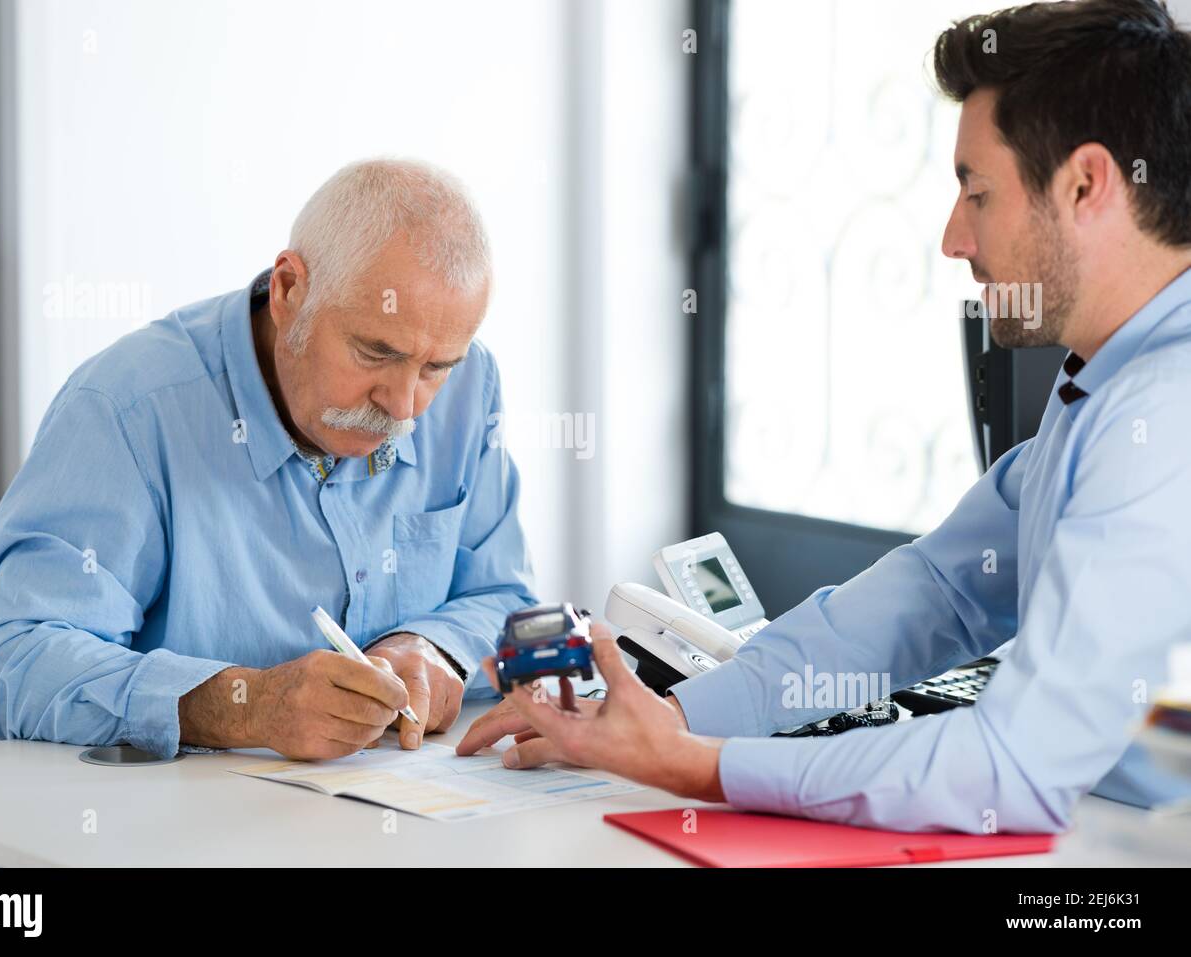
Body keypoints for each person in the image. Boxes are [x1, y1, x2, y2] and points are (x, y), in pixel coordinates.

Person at [460, 0, 1191, 833]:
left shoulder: (1163, 415)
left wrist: (697, 766)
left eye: (977, 192)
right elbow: (934, 594)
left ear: (1087, 185)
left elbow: (1009, 768)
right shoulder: (1097, 386)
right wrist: (672, 717)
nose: (955, 239)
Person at [0, 159, 536, 761]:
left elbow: (505, 596)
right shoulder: (127, 408)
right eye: (375, 353)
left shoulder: (474, 383)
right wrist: (248, 704)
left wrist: (430, 647)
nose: (403, 407)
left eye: (434, 369)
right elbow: (13, 664)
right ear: (290, 290)